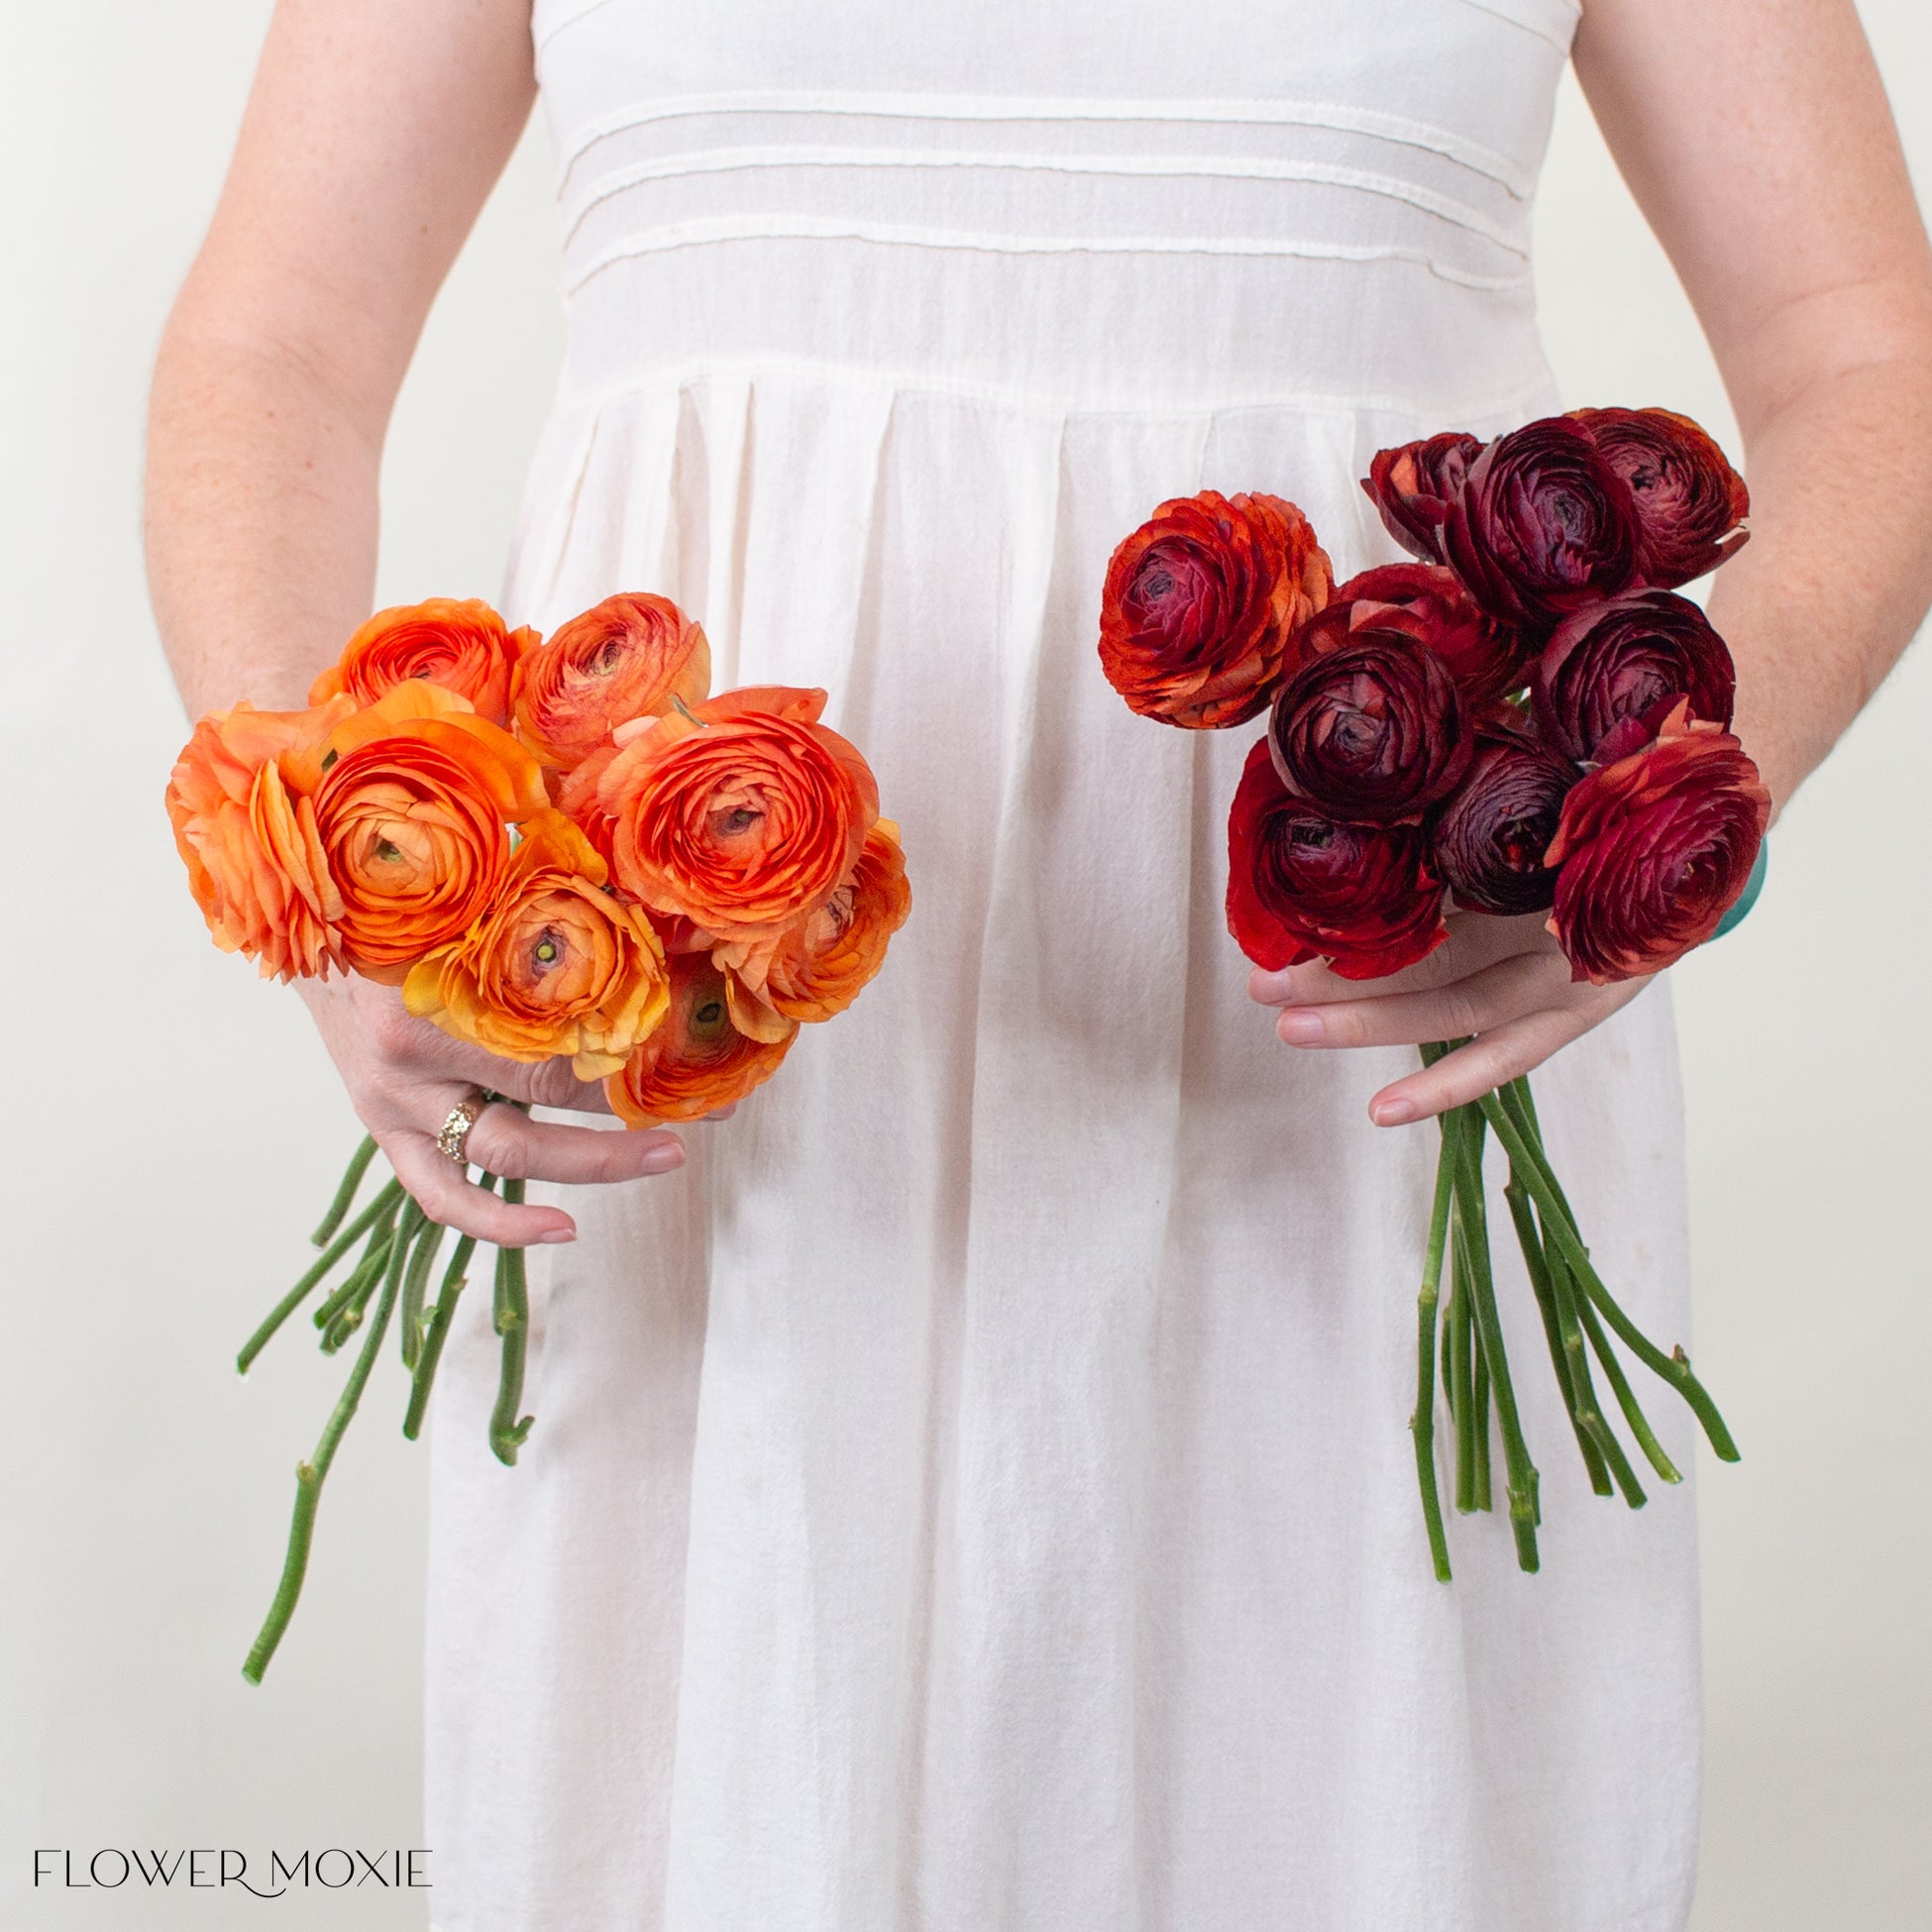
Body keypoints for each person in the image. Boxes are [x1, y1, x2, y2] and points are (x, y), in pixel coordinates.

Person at [145, 1, 1932, 1926]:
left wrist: (1667, 829)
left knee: (1364, 1803)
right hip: (740, 1061)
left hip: (1374, 1027)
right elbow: (281, 346)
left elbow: (1865, 347)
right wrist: (327, 880)